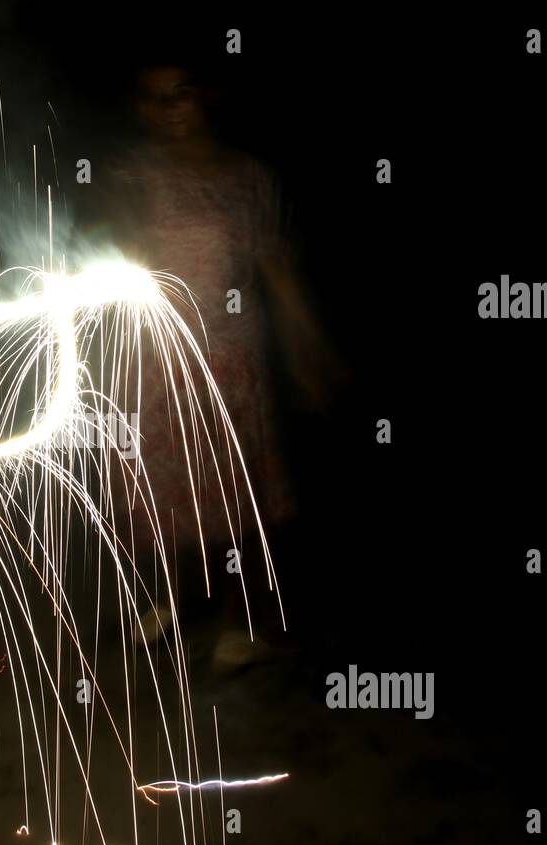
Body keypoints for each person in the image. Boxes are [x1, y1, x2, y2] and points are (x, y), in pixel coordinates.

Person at [100, 64, 342, 666]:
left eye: (181, 93)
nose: (168, 109)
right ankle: (170, 599)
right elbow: (116, 250)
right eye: (153, 98)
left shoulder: (247, 178)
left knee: (233, 488)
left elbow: (278, 273)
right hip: (157, 355)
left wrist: (309, 349)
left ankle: (240, 619)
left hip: (230, 360)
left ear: (208, 94)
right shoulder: (134, 173)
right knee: (159, 483)